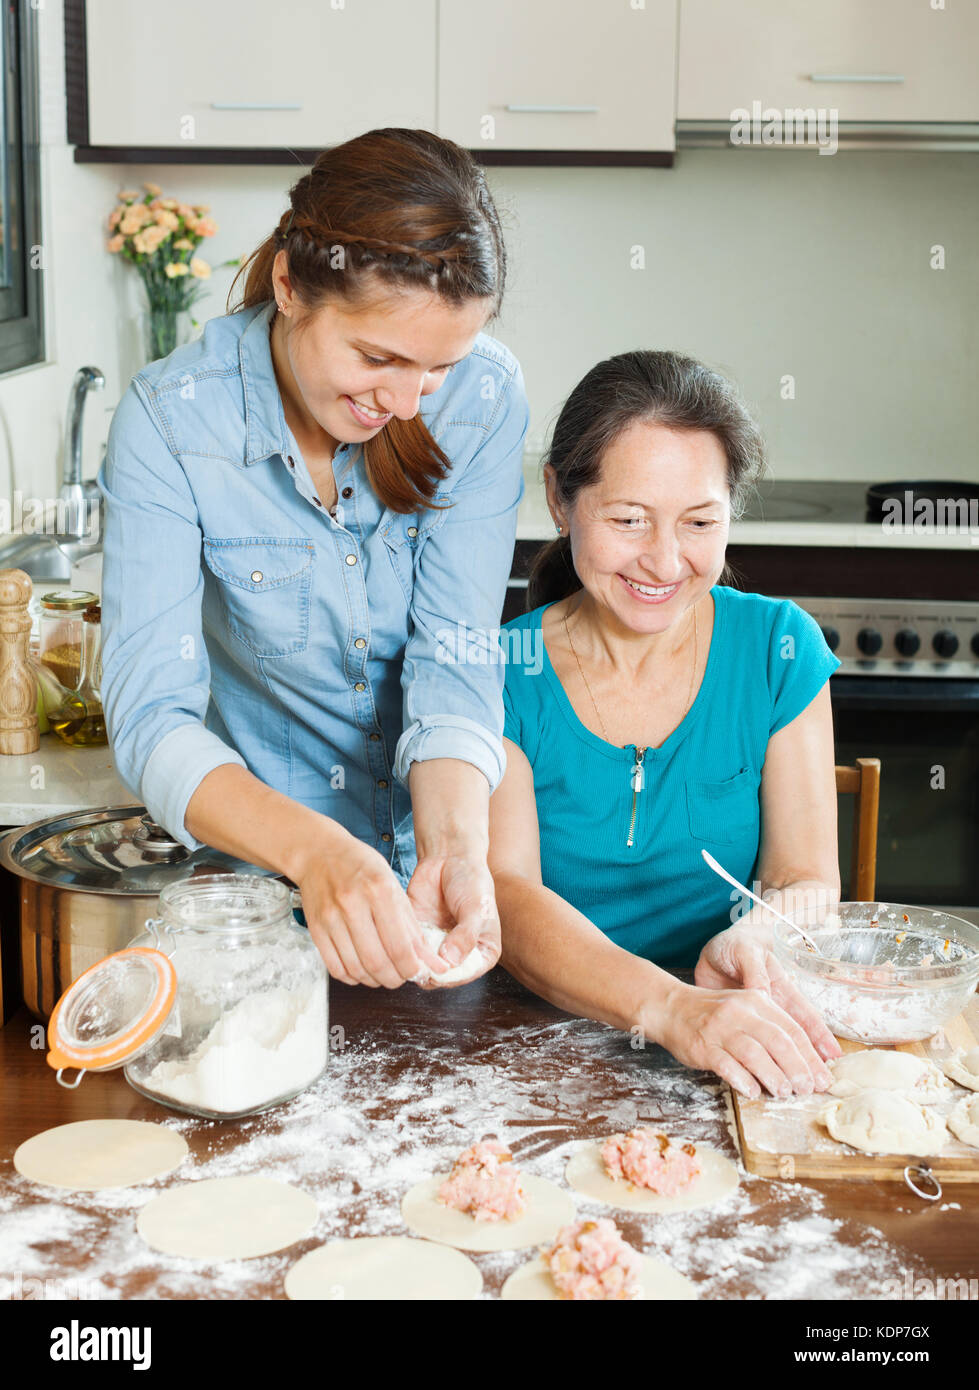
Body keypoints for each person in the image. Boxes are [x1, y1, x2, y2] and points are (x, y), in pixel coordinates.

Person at [99, 128, 529, 990]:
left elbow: (455, 652)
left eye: (435, 367)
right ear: (292, 287)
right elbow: (152, 719)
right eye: (377, 358)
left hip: (423, 879)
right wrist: (316, 852)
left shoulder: (485, 396)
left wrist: (452, 848)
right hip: (257, 889)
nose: (403, 403)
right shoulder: (171, 422)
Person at [488, 350, 844, 1097]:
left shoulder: (778, 650)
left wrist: (756, 935)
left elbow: (802, 878)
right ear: (559, 497)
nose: (663, 561)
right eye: (627, 520)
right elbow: (506, 895)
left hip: (728, 1035)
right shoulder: (499, 671)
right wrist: (669, 1007)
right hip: (530, 1042)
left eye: (698, 523)